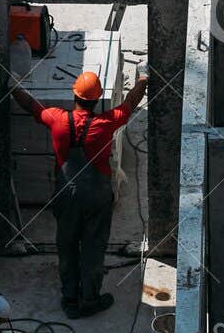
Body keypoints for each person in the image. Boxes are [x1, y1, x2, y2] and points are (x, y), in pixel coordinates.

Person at [11, 69, 149, 317]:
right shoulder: (105, 123)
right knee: (93, 249)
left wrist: (13, 87)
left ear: (74, 95)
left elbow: (31, 106)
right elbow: (130, 103)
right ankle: (90, 299)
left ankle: (70, 300)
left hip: (66, 194)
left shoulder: (57, 119)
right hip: (97, 196)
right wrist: (142, 80)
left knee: (67, 246)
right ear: (97, 100)